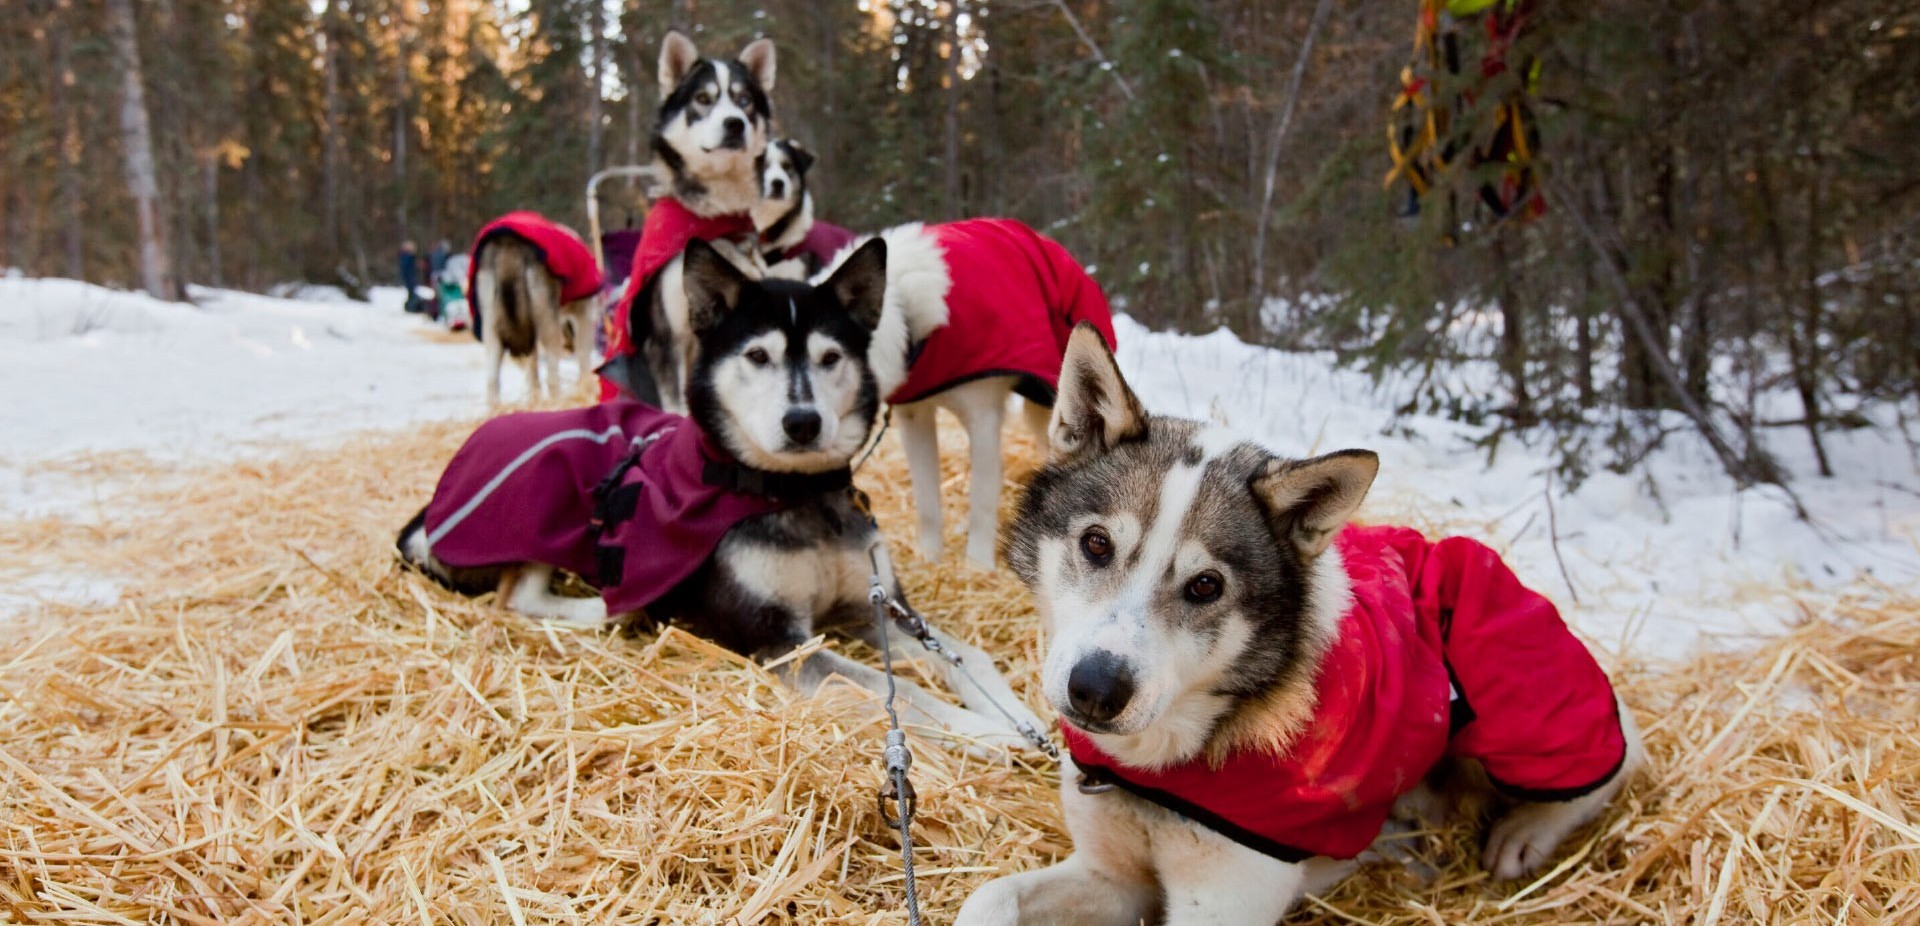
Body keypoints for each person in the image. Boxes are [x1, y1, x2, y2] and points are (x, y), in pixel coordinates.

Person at [398, 240, 425, 314]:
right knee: (412, 293)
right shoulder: (408, 257)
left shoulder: (403, 256)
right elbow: (409, 268)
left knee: (411, 293)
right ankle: (411, 308)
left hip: (409, 277)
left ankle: (410, 308)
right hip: (410, 278)